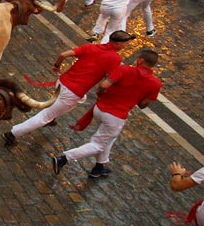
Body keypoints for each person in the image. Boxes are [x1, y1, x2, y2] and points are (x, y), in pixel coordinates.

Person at [4, 31, 134, 147]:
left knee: (78, 100)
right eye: (125, 44)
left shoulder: (90, 47)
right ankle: (13, 133)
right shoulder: (115, 58)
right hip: (73, 92)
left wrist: (56, 66)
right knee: (45, 116)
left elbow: (63, 54)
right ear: (118, 44)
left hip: (62, 82)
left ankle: (53, 116)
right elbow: (108, 80)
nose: (126, 46)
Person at [52, 49, 161, 179]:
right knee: (98, 144)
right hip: (116, 116)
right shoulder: (156, 84)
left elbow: (104, 85)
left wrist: (101, 95)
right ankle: (64, 158)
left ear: (141, 60)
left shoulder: (124, 69)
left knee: (108, 138)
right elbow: (143, 105)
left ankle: (99, 166)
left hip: (99, 109)